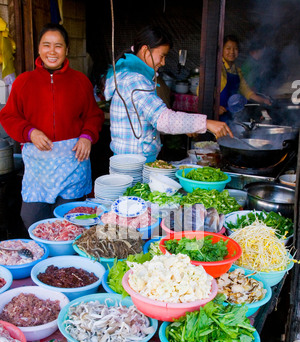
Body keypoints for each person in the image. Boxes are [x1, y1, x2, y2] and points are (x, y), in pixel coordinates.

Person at [0, 23, 104, 229]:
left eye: (58, 46)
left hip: (72, 165)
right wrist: (30, 132)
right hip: (39, 170)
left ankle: (67, 260)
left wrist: (87, 136)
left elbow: (94, 115)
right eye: (47, 45)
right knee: (33, 220)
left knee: (69, 223)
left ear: (66, 50)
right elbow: (9, 116)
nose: (52, 51)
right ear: (38, 49)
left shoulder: (80, 82)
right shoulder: (23, 82)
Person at [104, 25, 233, 163]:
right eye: (162, 56)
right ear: (145, 50)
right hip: (133, 164)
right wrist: (206, 123)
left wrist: (187, 126)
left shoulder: (132, 75)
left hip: (134, 159)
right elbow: (162, 119)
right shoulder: (134, 80)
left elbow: (150, 119)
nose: (163, 62)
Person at [220, 34, 271, 122]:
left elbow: (248, 92)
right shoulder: (217, 68)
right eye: (228, 48)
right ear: (221, 50)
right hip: (216, 115)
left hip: (230, 115)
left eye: (235, 49)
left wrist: (264, 101)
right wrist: (214, 107)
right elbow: (201, 92)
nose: (232, 52)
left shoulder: (237, 71)